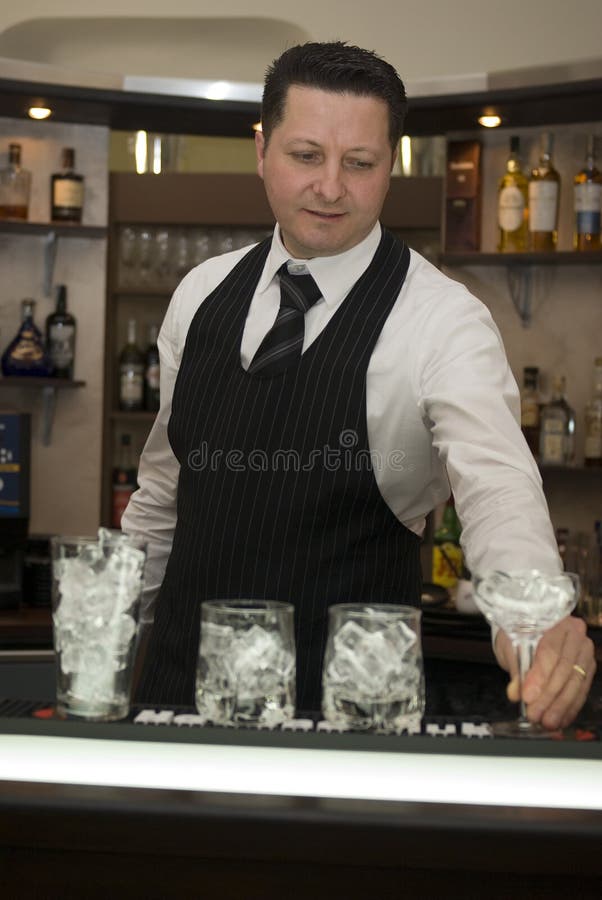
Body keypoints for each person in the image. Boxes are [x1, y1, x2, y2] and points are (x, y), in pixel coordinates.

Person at [122, 40, 595, 726]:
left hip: (347, 725)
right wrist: (107, 630)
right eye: (306, 155)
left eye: (360, 163)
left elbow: (498, 486)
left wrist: (532, 623)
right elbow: (164, 493)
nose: (331, 188)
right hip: (172, 702)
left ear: (391, 166)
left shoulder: (442, 320)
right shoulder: (200, 294)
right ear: (262, 150)